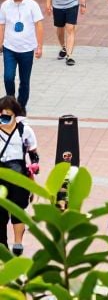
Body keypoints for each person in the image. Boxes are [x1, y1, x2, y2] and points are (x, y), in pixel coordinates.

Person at [0, 96, 40, 255]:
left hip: (19, 174)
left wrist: (34, 167)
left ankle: (18, 243)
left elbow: (33, 152)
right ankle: (2, 246)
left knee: (18, 209)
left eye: (7, 115)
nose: (3, 117)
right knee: (0, 213)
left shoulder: (25, 130)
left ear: (15, 114)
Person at [0, 0, 44, 108]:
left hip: (27, 49)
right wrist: (0, 43)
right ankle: (11, 101)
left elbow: (39, 25)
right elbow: (2, 26)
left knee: (24, 81)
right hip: (10, 48)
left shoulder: (32, 5)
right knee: (8, 77)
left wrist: (39, 46)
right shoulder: (5, 6)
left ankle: (21, 107)